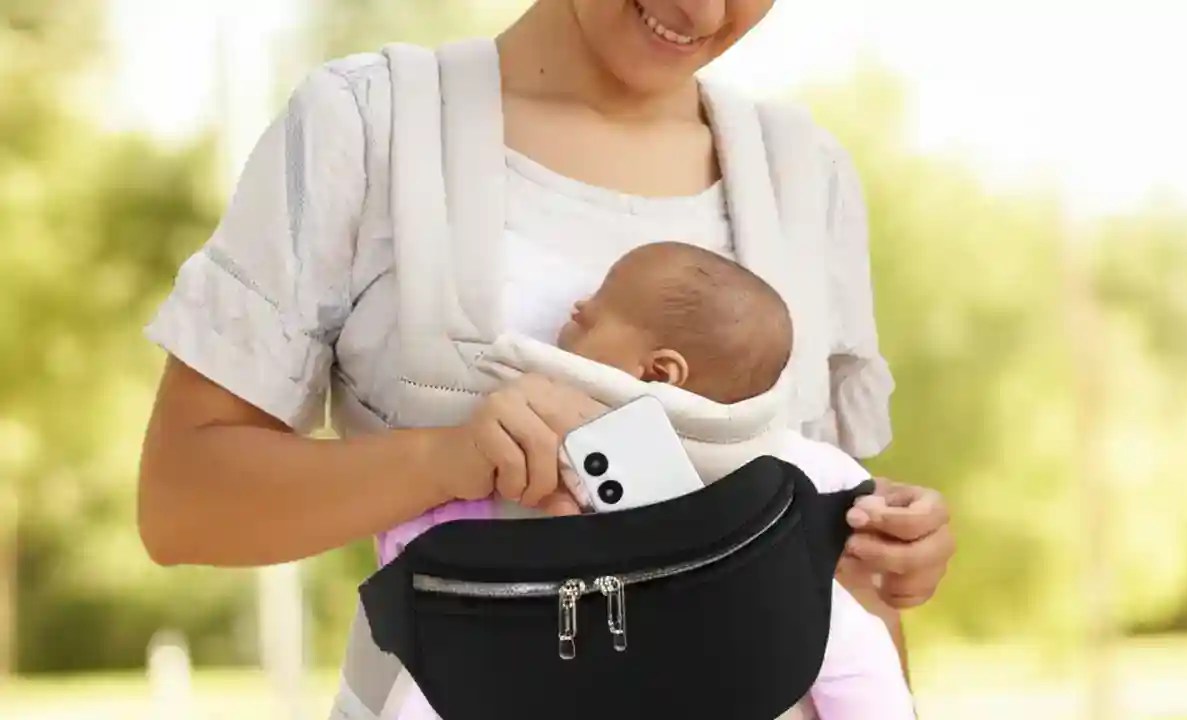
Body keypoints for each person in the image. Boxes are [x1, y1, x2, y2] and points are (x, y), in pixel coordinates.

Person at [138, 1, 955, 717]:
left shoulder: (804, 176)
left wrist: (883, 551)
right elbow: (181, 506)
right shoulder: (368, 125)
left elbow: (840, 595)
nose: (706, 12)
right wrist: (445, 460)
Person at [380, 241, 916, 719]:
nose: (577, 307)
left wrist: (411, 537)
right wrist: (874, 511)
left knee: (458, 672)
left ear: (659, 371)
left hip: (582, 638)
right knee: (852, 646)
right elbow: (850, 497)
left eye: (594, 315)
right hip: (742, 634)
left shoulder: (556, 428)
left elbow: (461, 519)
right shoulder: (781, 453)